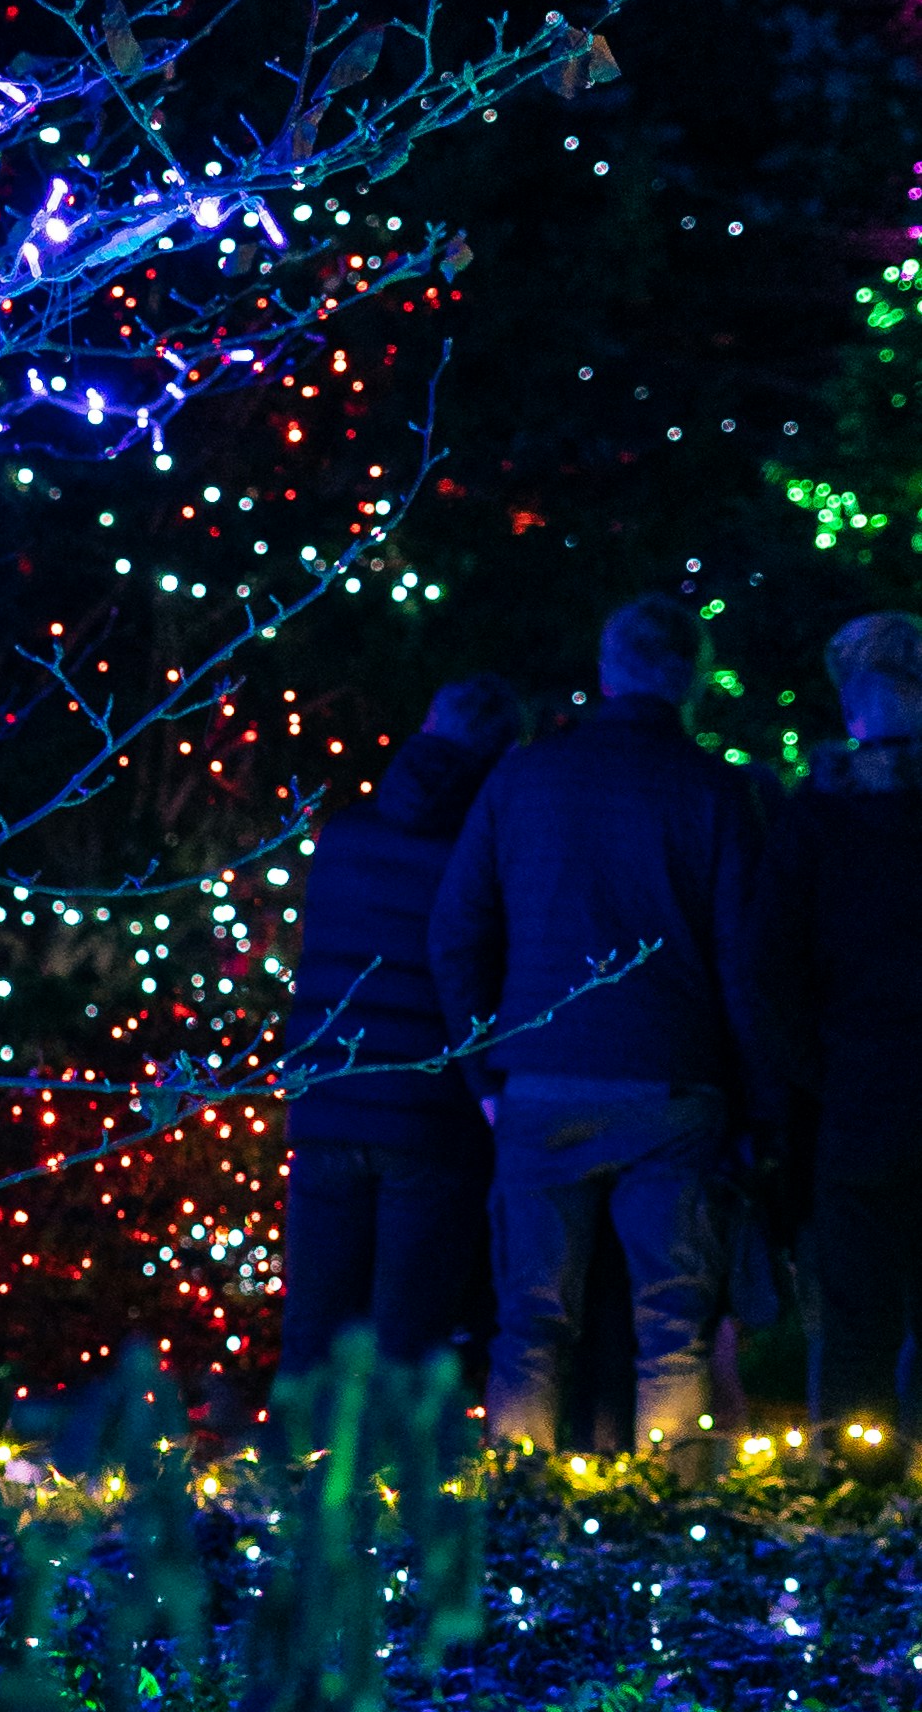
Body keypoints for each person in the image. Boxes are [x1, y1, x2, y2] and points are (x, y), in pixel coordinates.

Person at [430, 587, 774, 1456]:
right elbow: (744, 965)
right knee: (675, 1325)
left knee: (530, 1326)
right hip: (673, 1083)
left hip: (542, 1082)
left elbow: (456, 934)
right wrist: (757, 1106)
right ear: (692, 680)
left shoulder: (522, 777)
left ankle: (518, 1521)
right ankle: (673, 1530)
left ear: (606, 673)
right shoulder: (716, 791)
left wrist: (487, 1077)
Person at [275, 674, 523, 1385]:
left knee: (312, 1332)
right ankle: (390, 1491)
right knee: (404, 1343)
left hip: (330, 1097)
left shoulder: (345, 835)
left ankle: (295, 1483)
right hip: (429, 1114)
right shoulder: (483, 852)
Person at [764, 607, 922, 1433]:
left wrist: (819, 1076)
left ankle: (857, 1504)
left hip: (855, 1103)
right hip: (862, 1090)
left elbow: (772, 976)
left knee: (855, 1317)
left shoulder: (817, 820)